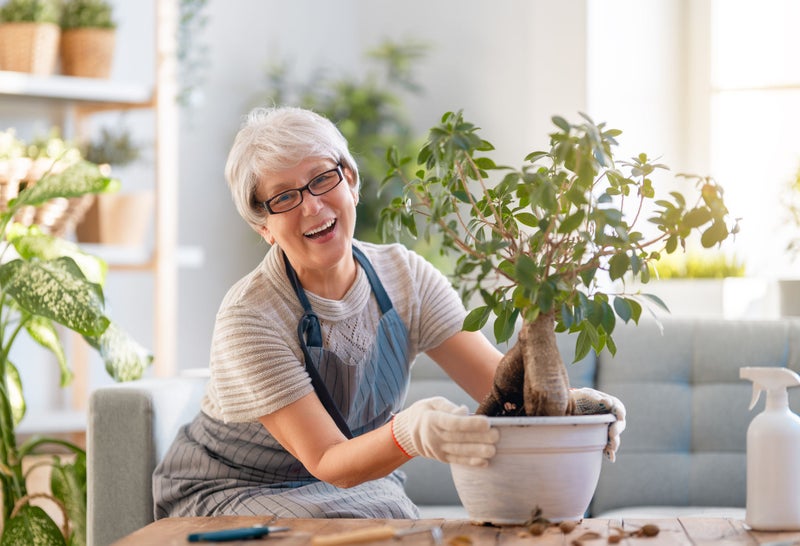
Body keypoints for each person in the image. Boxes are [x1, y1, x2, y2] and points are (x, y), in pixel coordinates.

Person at [152, 106, 625, 520]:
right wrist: (409, 431)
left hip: (356, 488)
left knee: (389, 517)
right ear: (265, 226)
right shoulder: (251, 316)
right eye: (285, 197)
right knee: (345, 525)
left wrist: (573, 408)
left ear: (351, 181)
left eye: (322, 179)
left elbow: (500, 392)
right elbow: (328, 460)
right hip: (235, 488)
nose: (312, 206)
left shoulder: (405, 277)